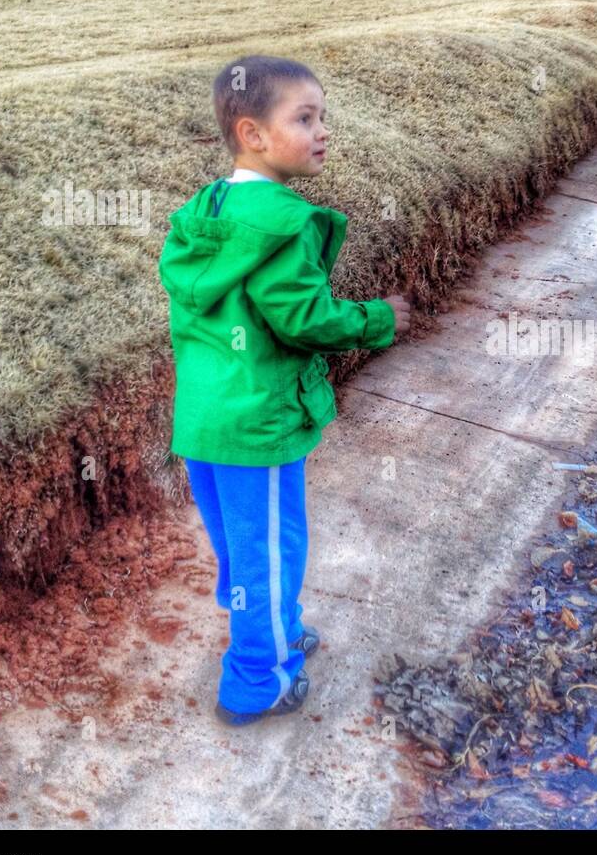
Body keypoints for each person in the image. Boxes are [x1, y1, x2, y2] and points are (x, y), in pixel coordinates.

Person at [158, 54, 411, 725]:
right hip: (257, 425)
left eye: (322, 116)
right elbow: (304, 319)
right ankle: (257, 679)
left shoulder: (205, 214)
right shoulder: (283, 224)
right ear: (253, 133)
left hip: (204, 424)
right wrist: (377, 318)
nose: (323, 130)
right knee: (272, 547)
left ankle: (273, 630)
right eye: (305, 117)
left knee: (245, 546)